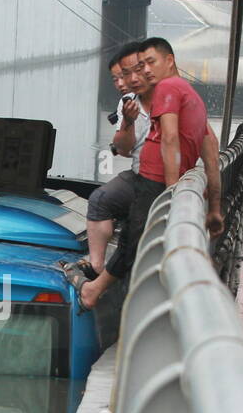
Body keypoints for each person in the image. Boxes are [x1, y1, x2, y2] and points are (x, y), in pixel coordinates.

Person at [80, 37, 221, 310]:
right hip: (149, 178)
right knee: (129, 229)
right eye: (135, 68)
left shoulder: (167, 88)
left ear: (170, 60)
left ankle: (97, 292)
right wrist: (215, 205)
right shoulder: (189, 96)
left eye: (148, 64)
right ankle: (101, 277)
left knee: (135, 242)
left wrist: (171, 192)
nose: (141, 73)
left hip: (156, 181)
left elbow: (169, 139)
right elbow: (210, 149)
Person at [82, 43, 148, 277]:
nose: (121, 83)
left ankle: (105, 277)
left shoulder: (168, 95)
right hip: (141, 173)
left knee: (131, 225)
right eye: (116, 78)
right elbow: (125, 150)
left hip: (161, 179)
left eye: (126, 75)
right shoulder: (128, 102)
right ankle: (97, 266)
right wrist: (127, 122)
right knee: (101, 199)